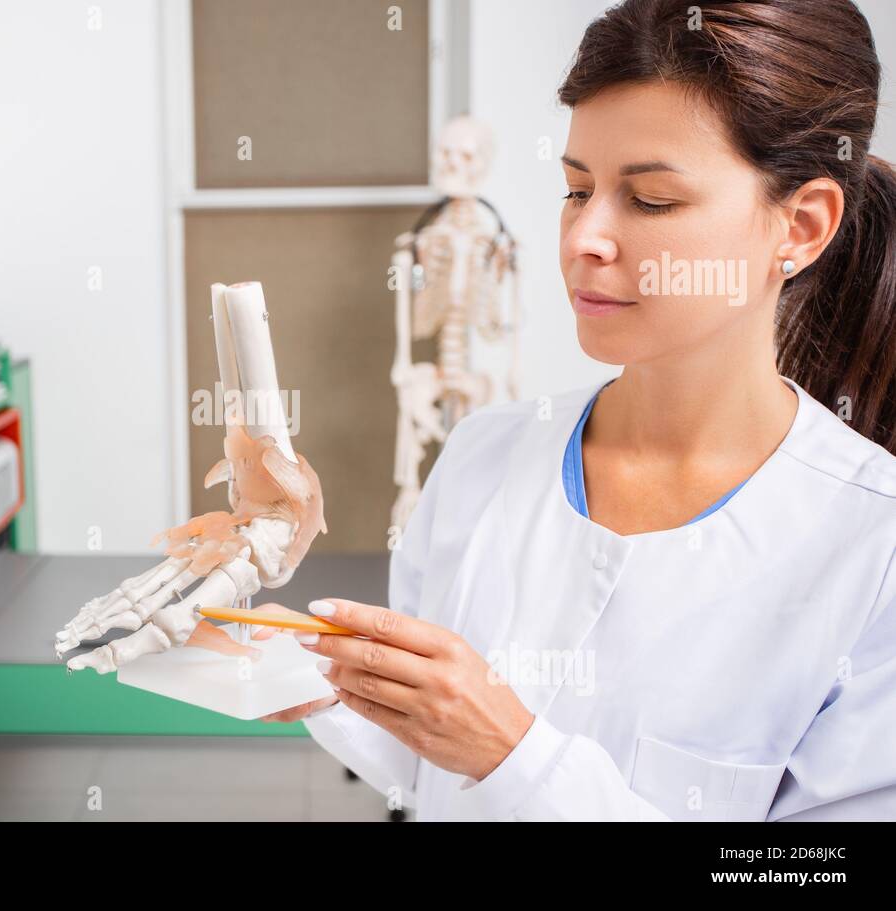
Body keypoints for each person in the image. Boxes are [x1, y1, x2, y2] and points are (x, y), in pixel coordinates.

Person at [262, 0, 896, 821]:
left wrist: (517, 757)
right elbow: (424, 760)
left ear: (801, 226)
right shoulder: (485, 456)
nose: (583, 237)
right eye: (576, 189)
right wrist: (299, 667)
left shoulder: (871, 548)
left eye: (652, 201)